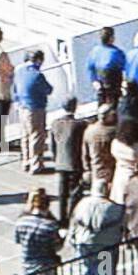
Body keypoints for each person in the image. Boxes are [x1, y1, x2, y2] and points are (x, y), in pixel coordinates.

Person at [67, 179, 125, 275]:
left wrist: (73, 240)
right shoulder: (114, 208)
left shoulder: (82, 204)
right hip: (106, 249)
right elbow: (122, 226)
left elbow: (73, 224)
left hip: (84, 245)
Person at [13, 188, 62, 275]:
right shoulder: (50, 226)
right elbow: (57, 246)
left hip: (27, 262)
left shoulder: (21, 222)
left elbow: (18, 240)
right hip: (45, 264)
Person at [50, 97, 88, 226]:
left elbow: (52, 146)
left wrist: (56, 158)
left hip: (61, 162)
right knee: (75, 192)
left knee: (62, 193)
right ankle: (72, 216)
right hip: (75, 163)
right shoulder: (80, 124)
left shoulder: (55, 123)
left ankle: (62, 218)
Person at [12, 50, 51, 174]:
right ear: (38, 60)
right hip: (35, 108)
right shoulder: (37, 74)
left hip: (21, 107)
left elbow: (14, 89)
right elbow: (48, 89)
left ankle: (26, 161)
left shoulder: (19, 72)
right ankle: (36, 164)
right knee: (37, 136)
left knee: (25, 136)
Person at [86, 26, 126, 105]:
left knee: (102, 107)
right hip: (113, 86)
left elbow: (90, 67)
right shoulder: (116, 52)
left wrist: (94, 81)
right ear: (111, 38)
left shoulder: (95, 51)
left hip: (100, 86)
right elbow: (126, 67)